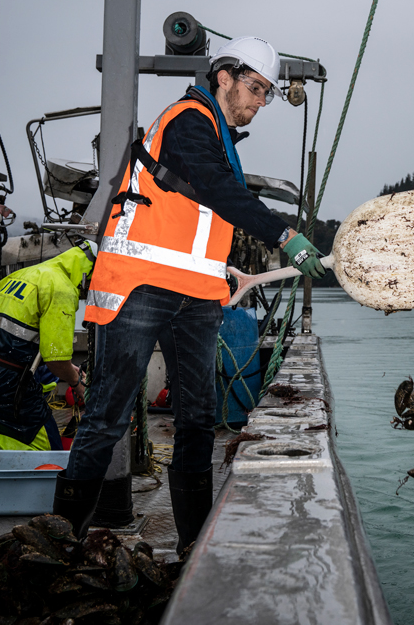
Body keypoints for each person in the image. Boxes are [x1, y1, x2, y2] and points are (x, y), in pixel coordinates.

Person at [55, 36, 325, 549]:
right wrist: (285, 236)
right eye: (254, 88)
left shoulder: (222, 138)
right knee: (107, 414)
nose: (259, 103)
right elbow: (222, 192)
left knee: (199, 420)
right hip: (140, 287)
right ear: (223, 77)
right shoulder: (187, 121)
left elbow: (205, 214)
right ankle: (62, 542)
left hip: (198, 297)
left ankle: (193, 550)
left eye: (267, 94)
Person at [0, 242, 96, 451]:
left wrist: (68, 368)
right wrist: (76, 384)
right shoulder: (61, 288)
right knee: (48, 453)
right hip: (2, 381)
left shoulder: (23, 275)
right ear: (90, 272)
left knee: (7, 435)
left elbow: (13, 336)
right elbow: (55, 359)